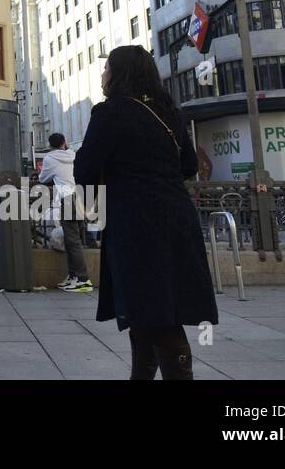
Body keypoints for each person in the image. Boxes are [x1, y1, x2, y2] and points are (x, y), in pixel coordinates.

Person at [74, 45, 219, 380]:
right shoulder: (169, 110)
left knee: (154, 313)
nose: (103, 73)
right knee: (151, 312)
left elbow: (85, 171)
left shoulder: (110, 112)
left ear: (119, 72)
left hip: (136, 223)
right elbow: (189, 165)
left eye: (107, 66)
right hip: (177, 218)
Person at [40, 133, 93, 293]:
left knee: (72, 240)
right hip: (82, 195)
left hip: (68, 197)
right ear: (64, 142)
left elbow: (43, 178)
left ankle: (83, 279)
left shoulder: (50, 158)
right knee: (74, 239)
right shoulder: (73, 154)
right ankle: (73, 276)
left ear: (50, 145)